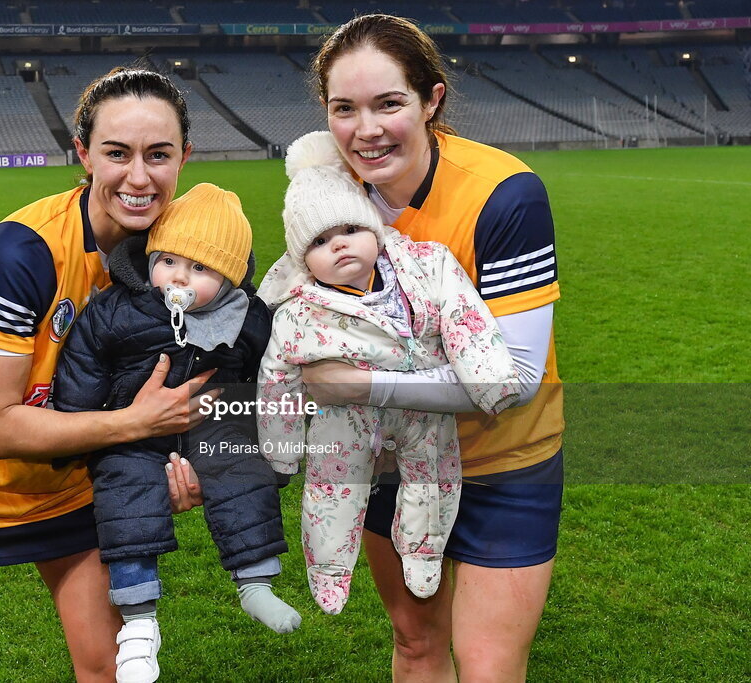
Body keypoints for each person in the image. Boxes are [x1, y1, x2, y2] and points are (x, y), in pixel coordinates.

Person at [0, 67, 212, 682]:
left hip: (73, 487)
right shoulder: (22, 251)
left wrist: (197, 464)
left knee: (111, 669)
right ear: (84, 153)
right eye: (117, 154)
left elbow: (213, 375)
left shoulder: (185, 255)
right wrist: (131, 426)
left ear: (184, 158)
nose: (139, 177)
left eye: (159, 155)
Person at [302, 14, 564, 682]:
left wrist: (361, 386)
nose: (367, 129)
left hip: (503, 465)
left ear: (432, 100)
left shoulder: (504, 195)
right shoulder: (323, 200)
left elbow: (515, 379)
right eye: (345, 108)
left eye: (389, 103)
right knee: (417, 645)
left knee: (487, 665)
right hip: (393, 466)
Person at [257, 131, 520, 615]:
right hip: (347, 418)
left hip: (422, 406)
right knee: (332, 490)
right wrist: (282, 450)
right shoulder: (300, 312)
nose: (338, 246)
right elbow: (278, 383)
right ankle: (330, 570)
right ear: (301, 259)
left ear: (373, 230)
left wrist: (490, 379)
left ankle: (423, 552)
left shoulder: (426, 266)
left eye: (349, 231)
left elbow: (464, 316)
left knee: (434, 479)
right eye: (319, 241)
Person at [54, 182, 301, 683]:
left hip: (218, 422)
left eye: (200, 269)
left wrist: (275, 433)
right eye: (167, 260)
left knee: (243, 470)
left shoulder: (249, 316)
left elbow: (273, 369)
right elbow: (82, 363)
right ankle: (139, 622)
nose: (178, 277)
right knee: (126, 491)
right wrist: (77, 424)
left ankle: (255, 583)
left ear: (230, 279)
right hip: (134, 430)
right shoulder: (116, 308)